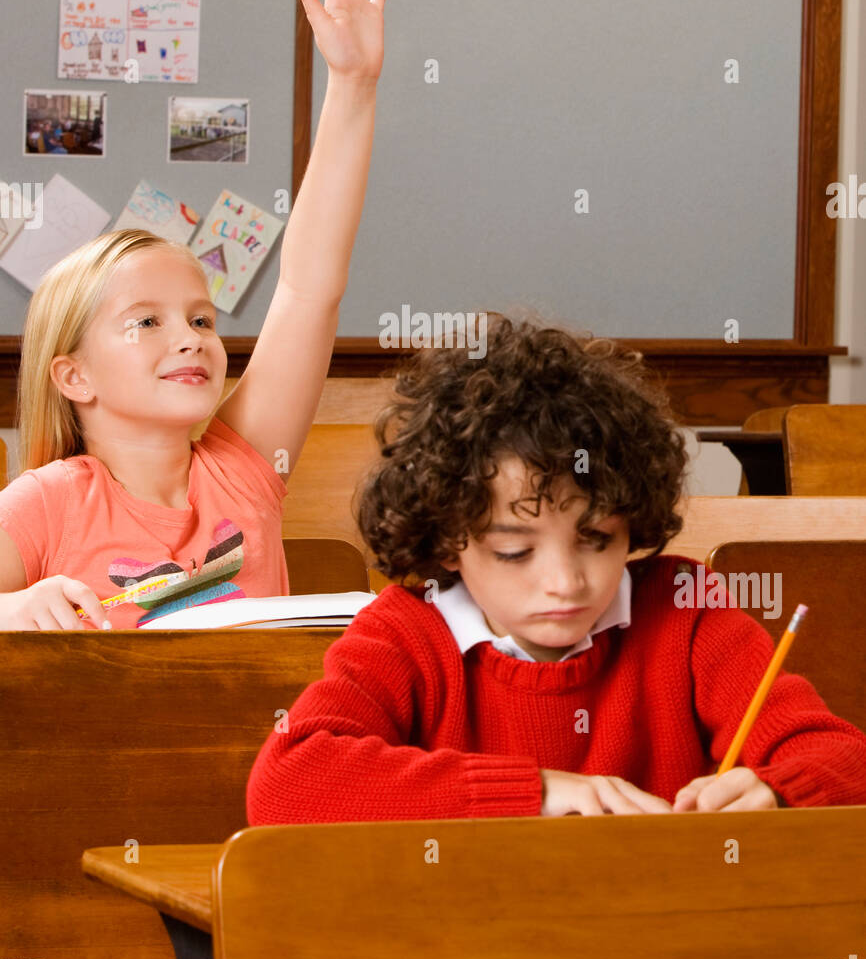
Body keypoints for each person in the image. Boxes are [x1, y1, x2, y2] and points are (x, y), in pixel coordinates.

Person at [246, 314, 866, 820]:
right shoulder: (407, 633)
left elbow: (842, 754)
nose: (566, 582)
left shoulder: (687, 609)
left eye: (596, 537)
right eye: (514, 551)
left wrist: (780, 789)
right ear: (448, 539)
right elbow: (287, 783)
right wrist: (536, 792)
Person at [0, 0, 391, 630]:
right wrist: (13, 608)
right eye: (146, 321)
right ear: (73, 376)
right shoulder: (44, 503)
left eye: (202, 319)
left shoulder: (243, 469)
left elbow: (309, 288)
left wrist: (354, 85)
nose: (191, 339)